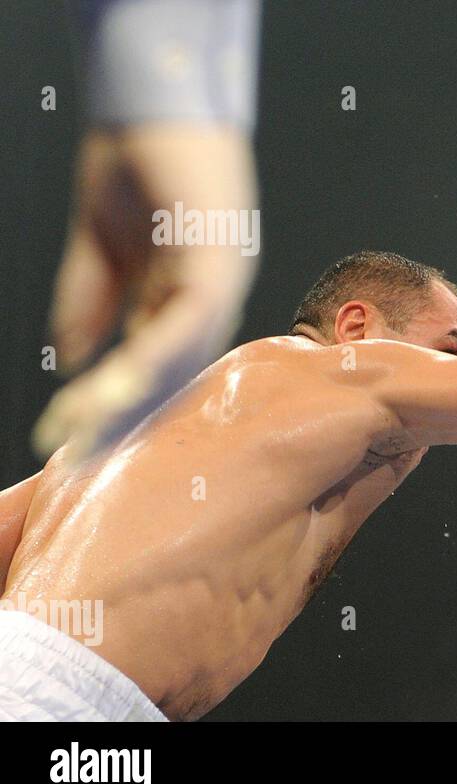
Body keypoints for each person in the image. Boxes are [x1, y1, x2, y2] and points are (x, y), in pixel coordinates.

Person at [1, 250, 457, 721]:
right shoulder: (328, 371)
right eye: (446, 355)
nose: (449, 383)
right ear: (356, 327)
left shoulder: (106, 443)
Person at [34, 0, 262, 462]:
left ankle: (98, 413)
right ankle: (95, 415)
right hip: (173, 111)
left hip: (138, 109)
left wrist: (125, 111)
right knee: (207, 290)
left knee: (81, 336)